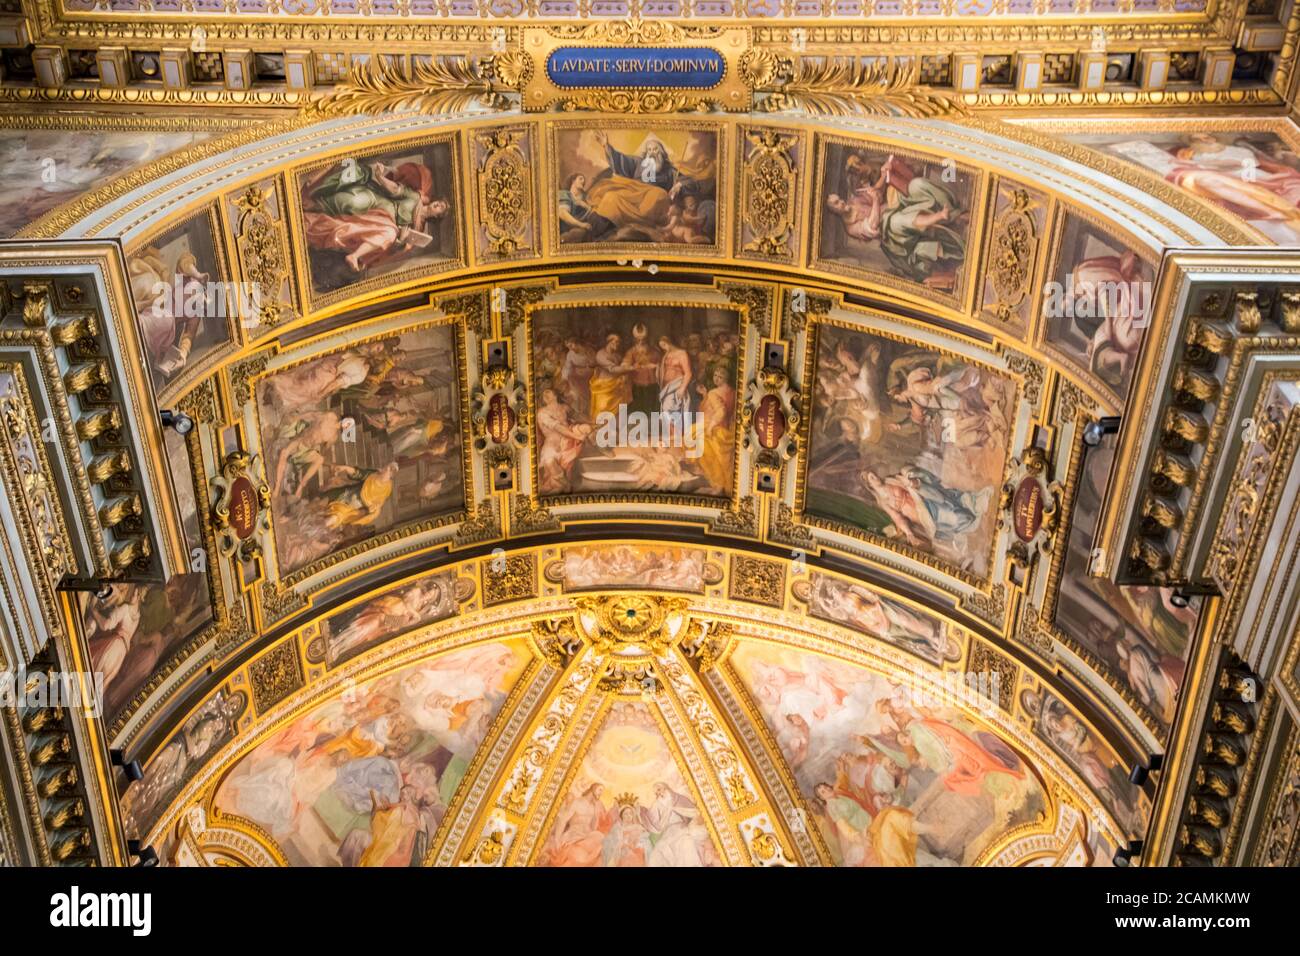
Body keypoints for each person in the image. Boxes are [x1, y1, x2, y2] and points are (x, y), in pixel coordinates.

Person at [302, 158, 449, 272]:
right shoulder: (416, 198)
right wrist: (380, 177)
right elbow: (395, 190)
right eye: (439, 203)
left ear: (436, 216)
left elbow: (397, 250)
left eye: (440, 208)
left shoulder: (418, 229)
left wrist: (401, 240)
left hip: (383, 224)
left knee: (389, 234)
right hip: (378, 202)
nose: (438, 205)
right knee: (354, 201)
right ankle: (316, 205)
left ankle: (354, 256)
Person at [536, 388, 594, 494]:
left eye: (548, 392)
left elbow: (578, 417)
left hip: (568, 441)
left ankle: (565, 485)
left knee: (586, 428)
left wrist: (592, 423)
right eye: (544, 394)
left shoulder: (565, 408)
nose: (546, 395)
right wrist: (576, 436)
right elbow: (558, 428)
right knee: (549, 460)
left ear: (555, 395)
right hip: (552, 442)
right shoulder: (542, 412)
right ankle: (563, 485)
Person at [557, 173, 617, 242]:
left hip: (592, 224)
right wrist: (581, 225)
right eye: (580, 178)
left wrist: (586, 206)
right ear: (573, 181)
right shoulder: (565, 194)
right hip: (575, 228)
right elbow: (562, 213)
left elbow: (592, 210)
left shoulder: (586, 198)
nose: (583, 181)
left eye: (584, 180)